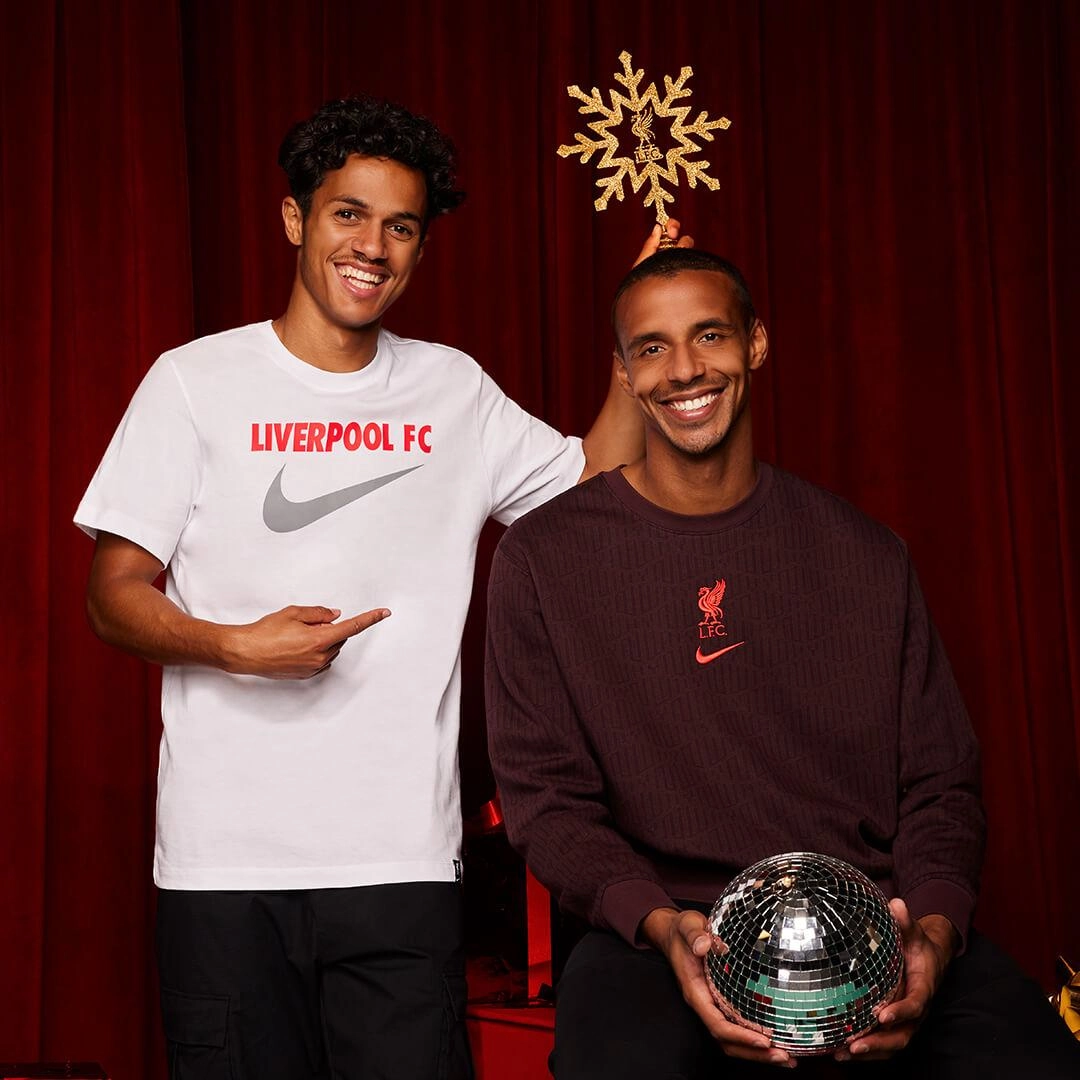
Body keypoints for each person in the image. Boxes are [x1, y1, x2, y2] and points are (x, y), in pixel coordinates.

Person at [75, 96, 680, 1080]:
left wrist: (637, 331)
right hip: (225, 873)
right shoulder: (193, 383)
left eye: (400, 226)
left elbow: (587, 483)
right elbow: (113, 592)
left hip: (401, 865)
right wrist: (234, 645)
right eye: (347, 213)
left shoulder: (451, 389)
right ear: (295, 220)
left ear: (420, 249)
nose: (373, 245)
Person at [485, 248, 1080, 1077]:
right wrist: (662, 928)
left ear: (756, 344)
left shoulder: (868, 555)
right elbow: (546, 801)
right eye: (652, 348)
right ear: (622, 375)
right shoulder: (544, 558)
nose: (685, 369)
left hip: (871, 916)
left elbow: (942, 784)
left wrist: (934, 937)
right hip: (664, 930)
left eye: (710, 335)